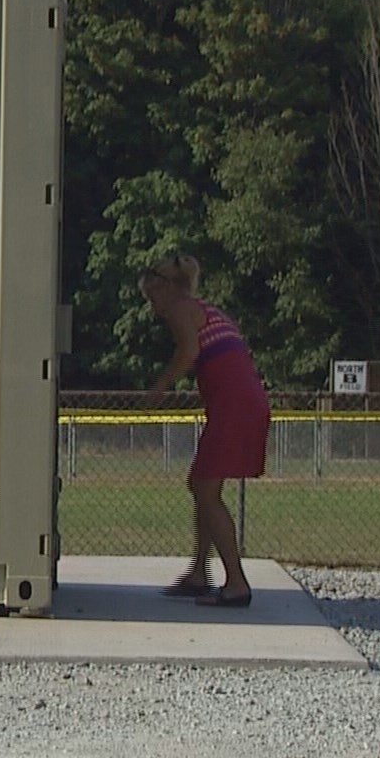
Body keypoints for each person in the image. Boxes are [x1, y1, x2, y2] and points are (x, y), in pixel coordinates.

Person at [139, 252, 271, 608]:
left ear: (165, 285)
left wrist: (161, 386)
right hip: (239, 402)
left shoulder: (181, 308)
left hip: (234, 404)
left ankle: (236, 583)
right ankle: (199, 572)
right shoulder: (204, 308)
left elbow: (188, 352)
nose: (151, 303)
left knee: (205, 488)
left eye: (152, 294)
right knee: (202, 485)